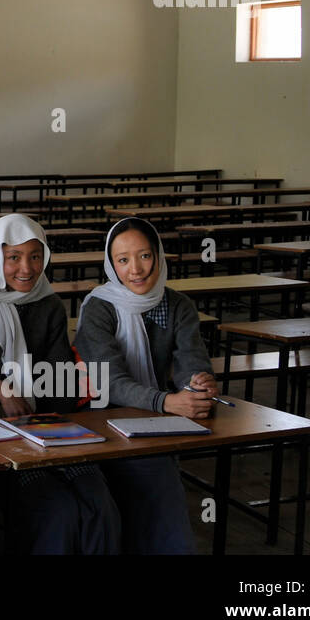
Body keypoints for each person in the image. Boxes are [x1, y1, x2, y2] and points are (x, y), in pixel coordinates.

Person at [0, 213, 120, 555]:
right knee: (59, 512)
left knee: (100, 504)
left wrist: (55, 422)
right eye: (13, 257)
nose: (27, 268)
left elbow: (60, 374)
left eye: (36, 256)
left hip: (42, 425)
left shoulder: (47, 302)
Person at [74, 216, 217, 554]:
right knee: (157, 481)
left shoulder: (178, 305)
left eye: (145, 256)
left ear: (159, 255)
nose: (135, 269)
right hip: (103, 419)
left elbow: (191, 361)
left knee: (158, 481)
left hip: (157, 416)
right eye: (123, 260)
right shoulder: (100, 307)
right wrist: (168, 402)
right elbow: (108, 382)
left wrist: (198, 383)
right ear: (111, 264)